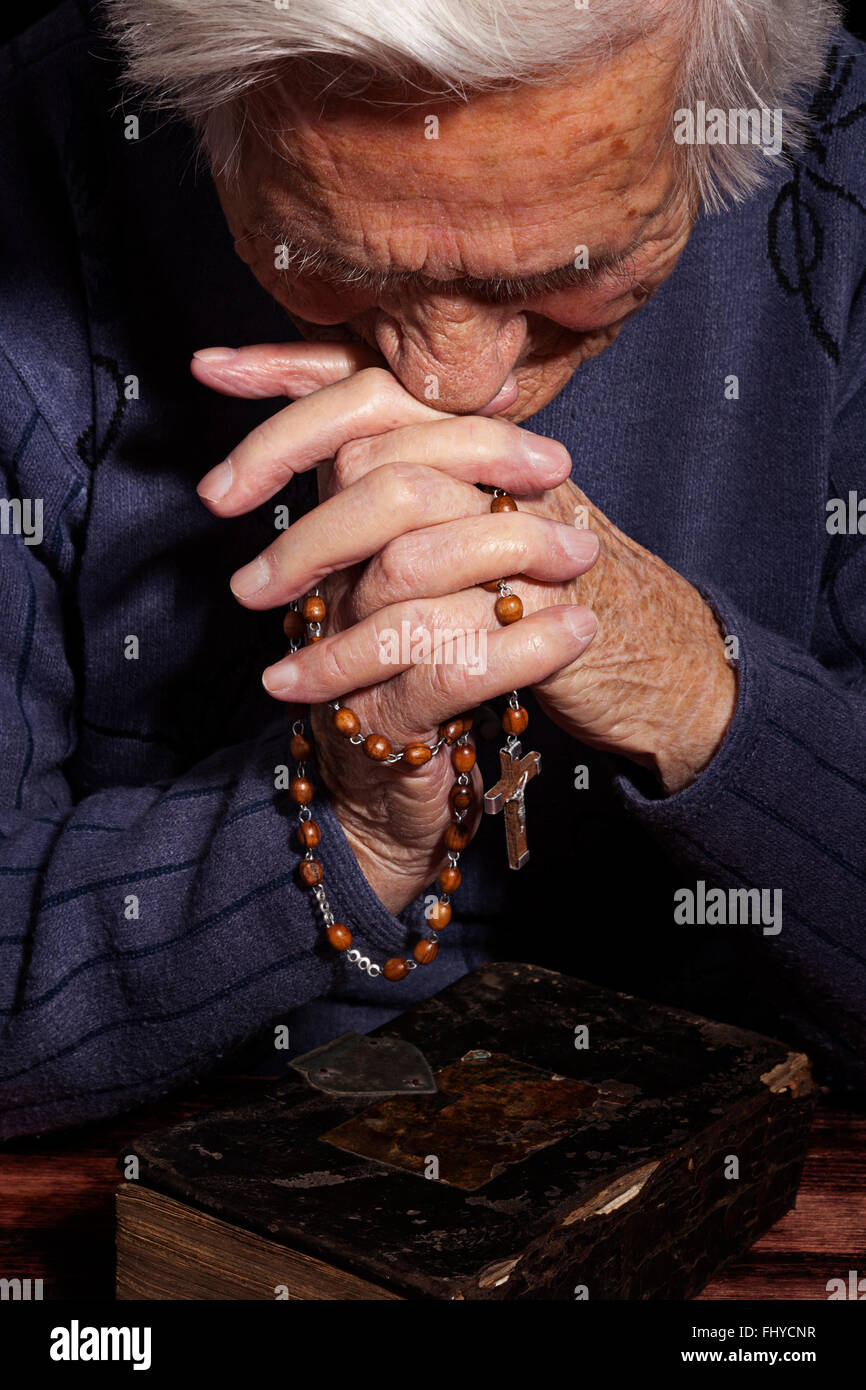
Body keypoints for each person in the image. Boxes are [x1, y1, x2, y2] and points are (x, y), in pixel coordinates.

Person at [1, 0, 863, 1140]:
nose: (454, 387)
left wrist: (688, 683)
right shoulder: (40, 146)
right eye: (337, 263)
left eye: (582, 269)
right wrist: (336, 824)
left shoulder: (840, 157)